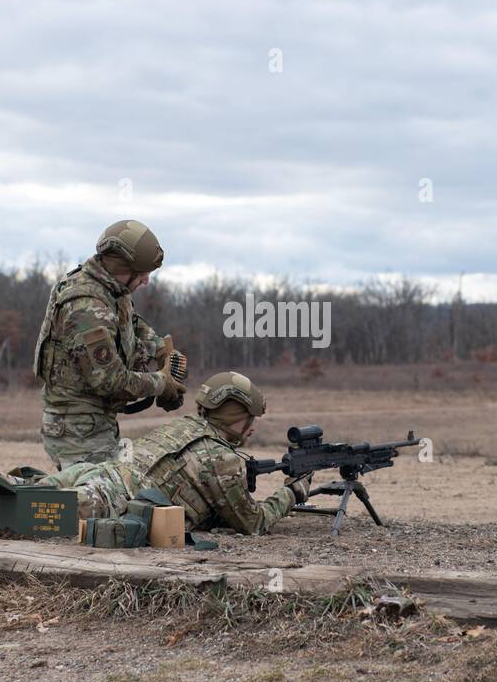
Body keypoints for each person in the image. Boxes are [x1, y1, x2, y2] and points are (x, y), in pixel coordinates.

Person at [37, 371, 312, 535]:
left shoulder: (185, 425)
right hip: (110, 499)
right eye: (249, 418)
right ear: (233, 416)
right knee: (30, 516)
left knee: (21, 493)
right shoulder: (221, 458)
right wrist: (292, 493)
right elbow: (253, 522)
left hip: (96, 473)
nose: (252, 427)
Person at [32, 220, 186, 470]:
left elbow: (131, 324)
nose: (146, 281)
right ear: (124, 268)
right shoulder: (86, 306)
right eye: (143, 274)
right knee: (97, 504)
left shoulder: (112, 290)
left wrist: (158, 348)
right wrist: (161, 383)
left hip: (95, 423)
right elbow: (110, 380)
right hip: (77, 432)